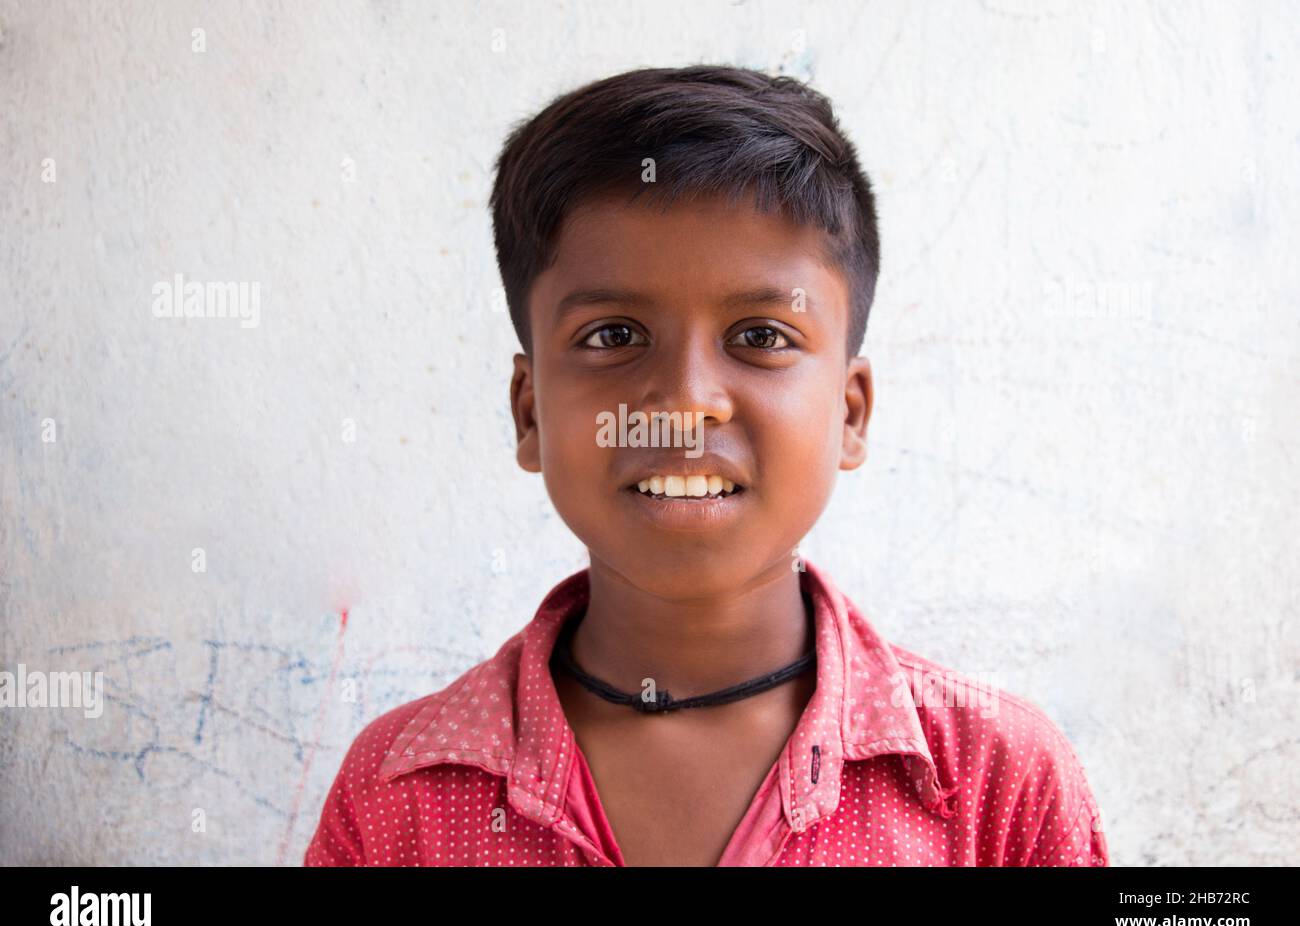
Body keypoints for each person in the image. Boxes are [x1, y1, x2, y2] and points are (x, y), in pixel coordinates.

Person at [304, 65, 1109, 867]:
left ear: (850, 413)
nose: (687, 404)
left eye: (761, 337)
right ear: (530, 411)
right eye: (613, 336)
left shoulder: (996, 785)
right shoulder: (396, 799)